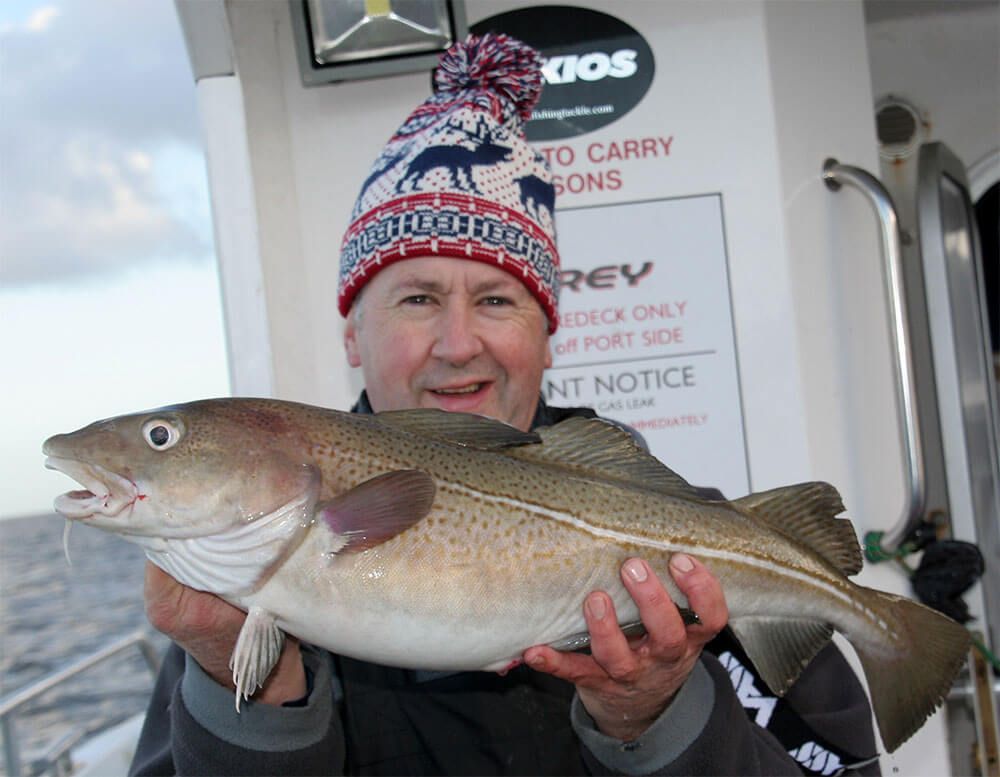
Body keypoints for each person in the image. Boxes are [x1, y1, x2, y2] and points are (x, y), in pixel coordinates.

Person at [130, 33, 879, 776]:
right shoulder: (239, 581)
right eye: (417, 298)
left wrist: (656, 719)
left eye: (495, 299)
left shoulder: (704, 552)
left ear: (547, 335)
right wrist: (255, 695)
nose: (458, 343)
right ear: (352, 335)